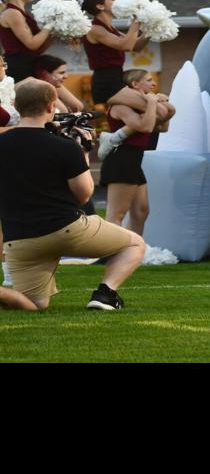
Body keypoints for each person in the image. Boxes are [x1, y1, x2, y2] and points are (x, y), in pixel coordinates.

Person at [0, 78, 146, 311]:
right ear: (52, 106)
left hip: (19, 238)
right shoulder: (65, 146)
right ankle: (105, 294)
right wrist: (83, 152)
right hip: (66, 229)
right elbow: (84, 194)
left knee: (35, 305)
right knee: (135, 244)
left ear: (16, 106)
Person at [100, 69, 174, 235]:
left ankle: (134, 249)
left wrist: (163, 105)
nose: (154, 83)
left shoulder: (143, 107)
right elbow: (146, 127)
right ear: (134, 84)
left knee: (141, 211)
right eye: (148, 80)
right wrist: (153, 103)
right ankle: (111, 252)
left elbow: (162, 127)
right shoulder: (120, 106)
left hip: (135, 159)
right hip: (121, 159)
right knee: (116, 214)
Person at [80, 0, 146, 106]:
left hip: (117, 77)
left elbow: (136, 46)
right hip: (106, 82)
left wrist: (152, 30)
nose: (117, 2)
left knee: (163, 110)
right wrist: (136, 18)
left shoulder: (111, 28)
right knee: (158, 109)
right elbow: (126, 46)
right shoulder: (94, 28)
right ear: (100, 6)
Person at [0, 0, 52, 81]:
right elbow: (32, 44)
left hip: (30, 63)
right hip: (19, 66)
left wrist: (57, 31)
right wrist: (51, 24)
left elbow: (38, 47)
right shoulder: (12, 13)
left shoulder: (21, 13)